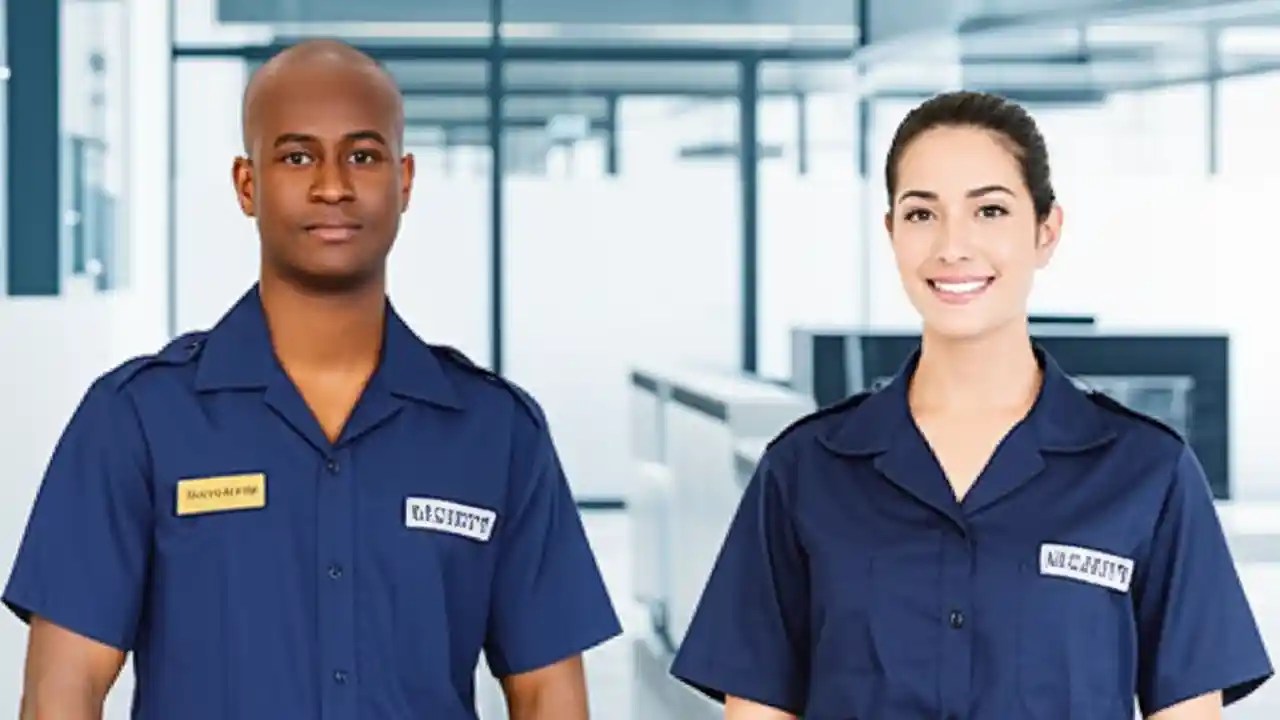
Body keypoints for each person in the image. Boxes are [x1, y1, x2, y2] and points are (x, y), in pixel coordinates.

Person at [4, 39, 621, 719]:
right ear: (248, 185)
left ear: (405, 180)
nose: (333, 185)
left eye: (363, 155)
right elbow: (63, 694)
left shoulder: (498, 432)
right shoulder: (136, 422)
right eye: (297, 157)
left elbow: (548, 695)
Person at [669, 90, 1273, 719]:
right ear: (892, 233)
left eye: (989, 210)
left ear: (1046, 231)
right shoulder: (803, 471)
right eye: (922, 215)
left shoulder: (1147, 474)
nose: (953, 246)